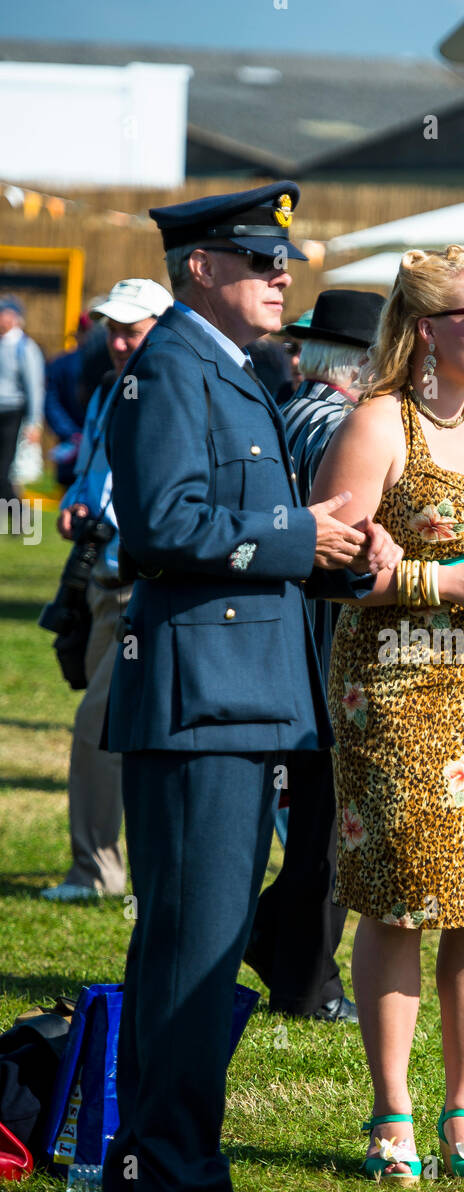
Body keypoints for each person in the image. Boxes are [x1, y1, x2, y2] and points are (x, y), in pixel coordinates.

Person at [99, 181, 400, 1192]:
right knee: (196, 946)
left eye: (286, 261)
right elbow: (165, 526)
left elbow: (247, 532)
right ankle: (178, 1179)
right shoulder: (173, 368)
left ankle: (150, 1163)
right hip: (198, 700)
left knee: (196, 942)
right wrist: (296, 534)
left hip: (237, 693)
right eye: (260, 259)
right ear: (200, 267)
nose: (283, 278)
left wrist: (338, 553)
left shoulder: (230, 370)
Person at [308, 244, 464, 1183]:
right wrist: (438, 580)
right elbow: (326, 563)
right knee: (403, 895)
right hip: (401, 685)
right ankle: (391, 1116)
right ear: (425, 330)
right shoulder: (379, 423)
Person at [245, 288, 386, 1024]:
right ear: (363, 361)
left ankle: (274, 941)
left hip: (286, 642)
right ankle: (305, 982)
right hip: (324, 647)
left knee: (317, 825)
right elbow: (357, 544)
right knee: (327, 830)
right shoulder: (338, 424)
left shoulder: (290, 409)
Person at [40, 279, 173, 904]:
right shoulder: (107, 389)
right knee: (110, 731)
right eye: (112, 329)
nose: (118, 341)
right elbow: (94, 475)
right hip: (101, 579)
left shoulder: (171, 394)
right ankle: (112, 869)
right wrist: (75, 506)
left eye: (132, 329)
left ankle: (97, 871)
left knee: (98, 729)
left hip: (140, 590)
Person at [0, 296, 44, 507]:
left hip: (12, 413)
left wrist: (34, 423)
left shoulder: (24, 347)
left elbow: (34, 387)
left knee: (4, 470)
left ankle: (19, 515)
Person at [44, 314, 92, 485]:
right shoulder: (61, 365)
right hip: (72, 446)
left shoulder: (112, 365)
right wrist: (72, 434)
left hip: (85, 442)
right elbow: (51, 402)